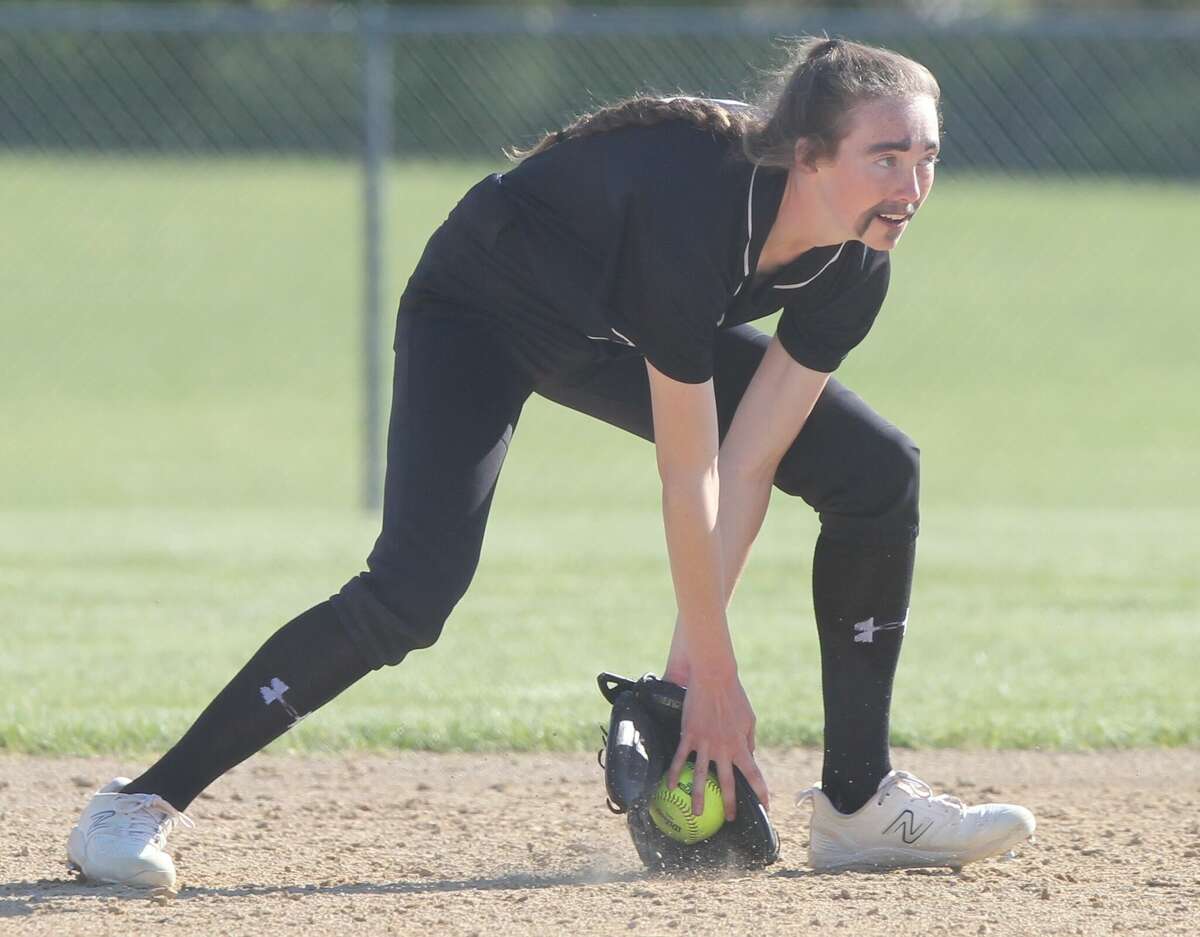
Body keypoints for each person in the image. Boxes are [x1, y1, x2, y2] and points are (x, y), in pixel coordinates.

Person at [67, 37, 1034, 888]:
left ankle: (860, 804)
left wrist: (689, 673)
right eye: (886, 156)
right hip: (479, 312)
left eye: (927, 157)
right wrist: (715, 684)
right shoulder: (704, 205)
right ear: (811, 155)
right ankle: (135, 806)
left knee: (874, 470)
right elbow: (687, 474)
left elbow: (747, 465)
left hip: (609, 326)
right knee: (415, 588)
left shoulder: (857, 260)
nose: (911, 185)